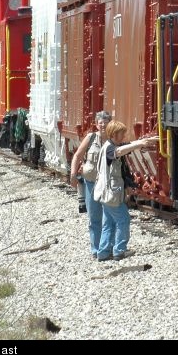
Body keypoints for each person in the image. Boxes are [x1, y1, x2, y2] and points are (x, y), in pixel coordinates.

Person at [93, 120, 158, 261]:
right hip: (111, 194)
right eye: (122, 134)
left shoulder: (109, 145)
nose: (123, 137)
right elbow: (120, 151)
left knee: (108, 223)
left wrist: (146, 140)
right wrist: (140, 144)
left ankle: (103, 253)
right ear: (114, 134)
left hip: (105, 193)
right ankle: (119, 251)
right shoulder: (110, 148)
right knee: (123, 220)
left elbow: (126, 146)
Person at [70, 110, 111, 257]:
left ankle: (106, 248)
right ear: (96, 124)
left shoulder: (114, 138)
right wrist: (73, 174)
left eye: (106, 123)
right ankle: (95, 249)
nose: (103, 125)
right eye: (100, 123)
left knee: (109, 217)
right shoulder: (90, 137)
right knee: (94, 217)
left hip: (109, 185)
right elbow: (77, 156)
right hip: (91, 182)